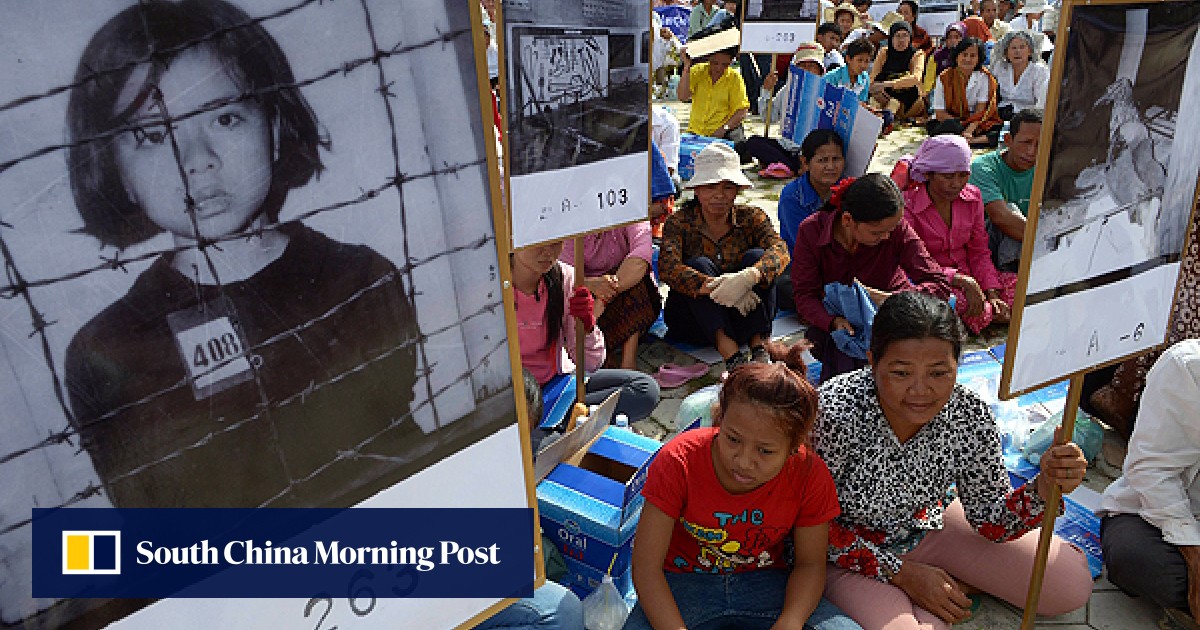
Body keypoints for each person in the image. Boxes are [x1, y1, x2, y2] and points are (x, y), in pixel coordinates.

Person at [64, 0, 423, 509]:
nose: (197, 161)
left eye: (226, 118)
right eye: (152, 134)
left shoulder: (360, 278)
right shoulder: (106, 353)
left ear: (273, 130)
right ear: (114, 167)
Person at [815, 291, 1094, 629]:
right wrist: (903, 574)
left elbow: (991, 519)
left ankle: (937, 585)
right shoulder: (834, 413)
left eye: (938, 373)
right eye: (901, 373)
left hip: (928, 525)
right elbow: (810, 527)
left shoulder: (968, 414)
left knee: (1066, 584)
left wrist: (1044, 487)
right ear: (873, 362)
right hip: (844, 553)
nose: (920, 390)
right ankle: (911, 593)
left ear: (957, 365)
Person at [625, 362, 861, 630]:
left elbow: (810, 565)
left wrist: (790, 621)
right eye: (733, 439)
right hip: (682, 583)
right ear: (719, 419)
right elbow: (646, 568)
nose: (744, 462)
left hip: (768, 582)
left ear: (794, 447)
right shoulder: (678, 461)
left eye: (765, 451)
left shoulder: (810, 473)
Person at [790, 174, 951, 380]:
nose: (886, 237)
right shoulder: (812, 231)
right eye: (876, 233)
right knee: (838, 350)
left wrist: (890, 300)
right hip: (840, 322)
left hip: (895, 314)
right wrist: (833, 322)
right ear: (848, 220)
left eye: (890, 230)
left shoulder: (896, 229)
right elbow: (804, 295)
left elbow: (939, 284)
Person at [660, 144, 790, 373]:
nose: (719, 195)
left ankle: (758, 348)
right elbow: (668, 267)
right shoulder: (679, 222)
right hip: (696, 324)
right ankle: (731, 356)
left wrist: (748, 278)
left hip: (746, 318)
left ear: (737, 190)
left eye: (727, 187)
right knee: (699, 265)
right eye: (711, 187)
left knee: (757, 257)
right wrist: (718, 288)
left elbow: (780, 251)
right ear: (697, 190)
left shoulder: (752, 217)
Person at [1100, 340, 1200, 630]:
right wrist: (1196, 560)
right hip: (1157, 514)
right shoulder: (1188, 366)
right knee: (1138, 560)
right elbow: (1152, 470)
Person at [512, 240, 660, 423]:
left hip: (555, 388)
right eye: (539, 243)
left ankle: (560, 423)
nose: (548, 252)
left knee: (644, 389)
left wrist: (586, 326)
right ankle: (553, 429)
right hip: (512, 400)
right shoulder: (490, 289)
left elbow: (591, 364)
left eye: (556, 243)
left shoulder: (564, 278)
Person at [897, 135, 1015, 333]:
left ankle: (985, 315)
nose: (956, 184)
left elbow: (979, 250)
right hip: (931, 280)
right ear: (928, 174)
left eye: (963, 175)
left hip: (971, 275)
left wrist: (991, 292)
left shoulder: (973, 197)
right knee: (960, 303)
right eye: (948, 176)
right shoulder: (908, 206)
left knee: (1023, 289)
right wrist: (960, 280)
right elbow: (913, 262)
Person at [560, 223, 660, 370]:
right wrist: (591, 285)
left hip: (621, 292)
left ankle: (628, 361)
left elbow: (640, 257)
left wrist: (604, 297)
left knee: (637, 283)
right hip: (591, 296)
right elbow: (564, 274)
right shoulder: (572, 226)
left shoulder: (630, 215)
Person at [776, 130, 848, 307]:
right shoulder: (792, 196)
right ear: (805, 163)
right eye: (822, 160)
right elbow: (805, 245)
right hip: (806, 264)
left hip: (842, 261)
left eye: (836, 159)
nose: (830, 167)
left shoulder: (848, 189)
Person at [968, 107, 1041, 272]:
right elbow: (1000, 217)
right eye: (1026, 143)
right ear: (1008, 140)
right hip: (991, 244)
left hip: (1033, 239)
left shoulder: (1048, 168)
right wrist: (1046, 241)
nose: (1032, 152)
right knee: (1011, 214)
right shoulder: (983, 168)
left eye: (1040, 145)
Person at [928, 37, 1001, 147]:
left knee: (999, 130)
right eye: (964, 54)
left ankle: (971, 141)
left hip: (976, 122)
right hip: (952, 121)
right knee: (942, 126)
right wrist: (962, 126)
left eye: (973, 56)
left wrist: (970, 129)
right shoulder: (944, 77)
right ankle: (966, 140)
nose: (968, 59)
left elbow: (980, 111)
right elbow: (940, 113)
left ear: (979, 58)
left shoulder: (984, 77)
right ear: (957, 56)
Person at [678, 43, 751, 140]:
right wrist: (686, 67)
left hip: (724, 131)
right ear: (709, 59)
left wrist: (724, 129)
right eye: (715, 63)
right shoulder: (698, 71)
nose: (719, 68)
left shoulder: (735, 78)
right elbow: (683, 97)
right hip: (696, 131)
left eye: (725, 65)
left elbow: (742, 111)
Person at [870, 21, 927, 121]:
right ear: (891, 38)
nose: (901, 40)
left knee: (893, 103)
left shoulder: (917, 54)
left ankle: (886, 123)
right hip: (884, 96)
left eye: (905, 36)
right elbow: (873, 78)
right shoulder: (884, 52)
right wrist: (878, 91)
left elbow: (915, 78)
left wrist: (887, 85)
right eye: (897, 36)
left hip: (910, 100)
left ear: (910, 38)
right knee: (874, 102)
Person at [990, 30, 1050, 119]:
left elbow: (1041, 103)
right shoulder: (999, 67)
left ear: (1030, 51)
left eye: (1022, 47)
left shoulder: (1039, 71)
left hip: (1027, 117)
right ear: (1006, 53)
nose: (1017, 51)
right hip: (1001, 113)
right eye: (1013, 48)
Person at [824, 38, 875, 104]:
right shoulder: (831, 77)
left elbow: (861, 103)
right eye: (859, 60)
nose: (863, 65)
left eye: (867, 61)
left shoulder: (865, 78)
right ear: (848, 59)